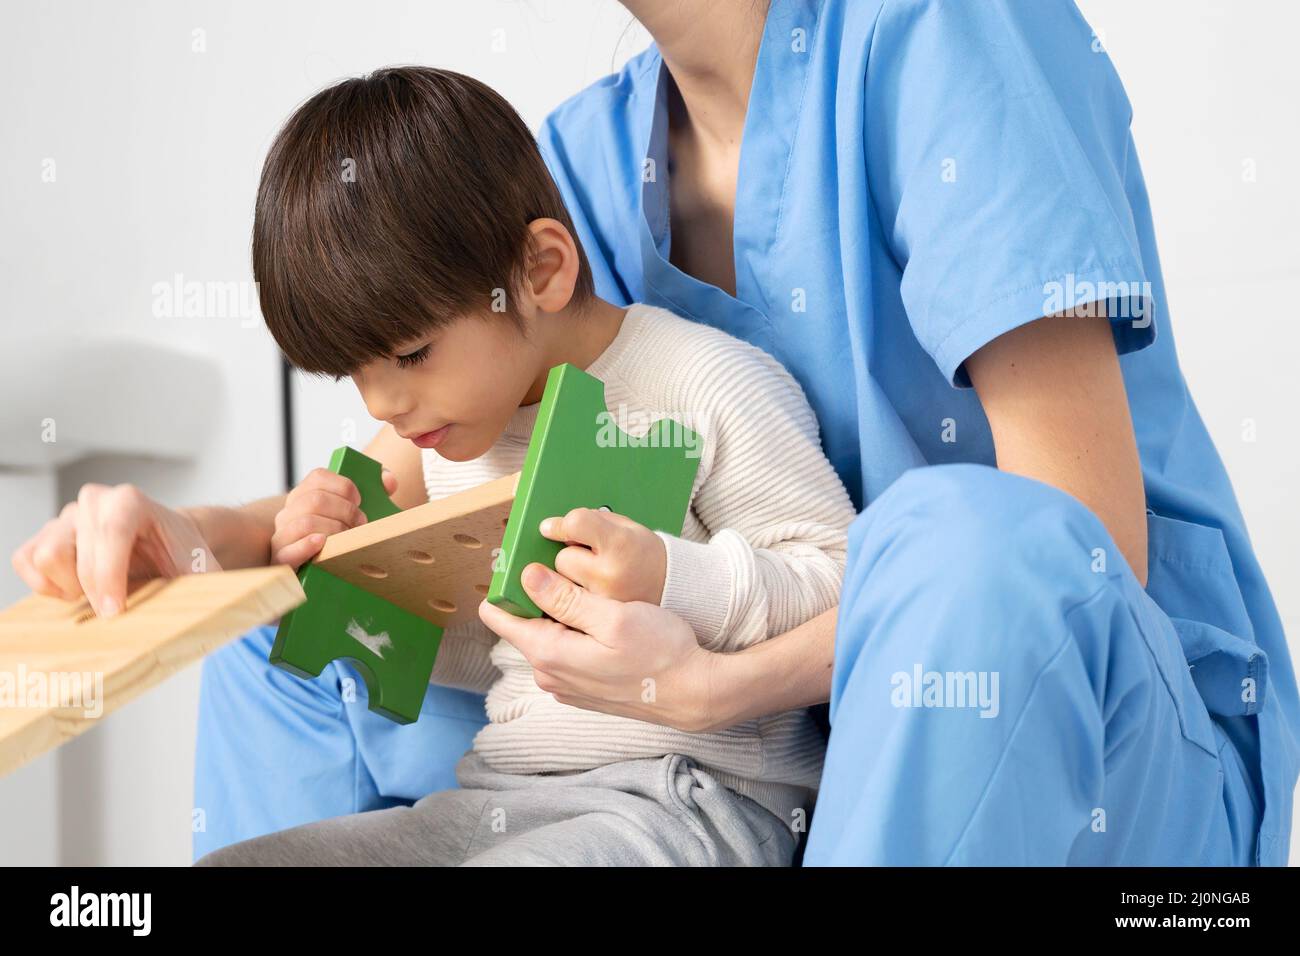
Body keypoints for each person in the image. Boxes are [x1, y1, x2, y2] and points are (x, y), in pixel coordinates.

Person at [13, 0, 1296, 865]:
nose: (384, 387)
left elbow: (1076, 544)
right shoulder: (579, 159)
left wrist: (714, 675)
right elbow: (397, 506)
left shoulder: (947, 37)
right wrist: (195, 544)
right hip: (627, 749)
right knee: (290, 630)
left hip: (1065, 728)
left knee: (963, 540)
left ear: (543, 264)